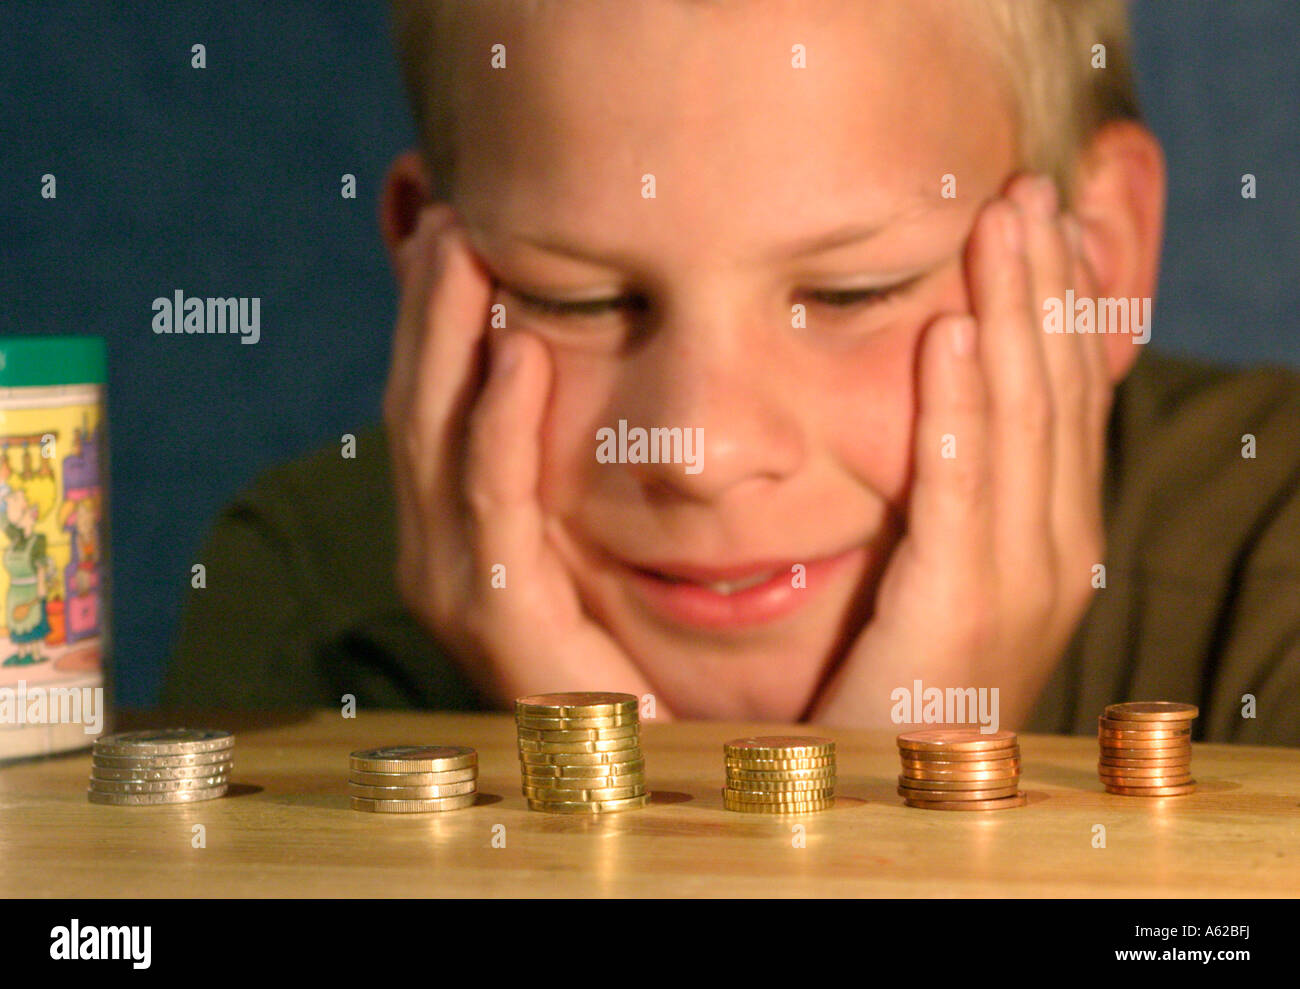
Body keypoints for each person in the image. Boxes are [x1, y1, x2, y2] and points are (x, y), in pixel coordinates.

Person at [164, 0, 1300, 744]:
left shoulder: (1273, 561)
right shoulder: (312, 611)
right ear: (424, 270)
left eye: (849, 293)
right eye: (579, 299)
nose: (698, 449)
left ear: (1092, 261)